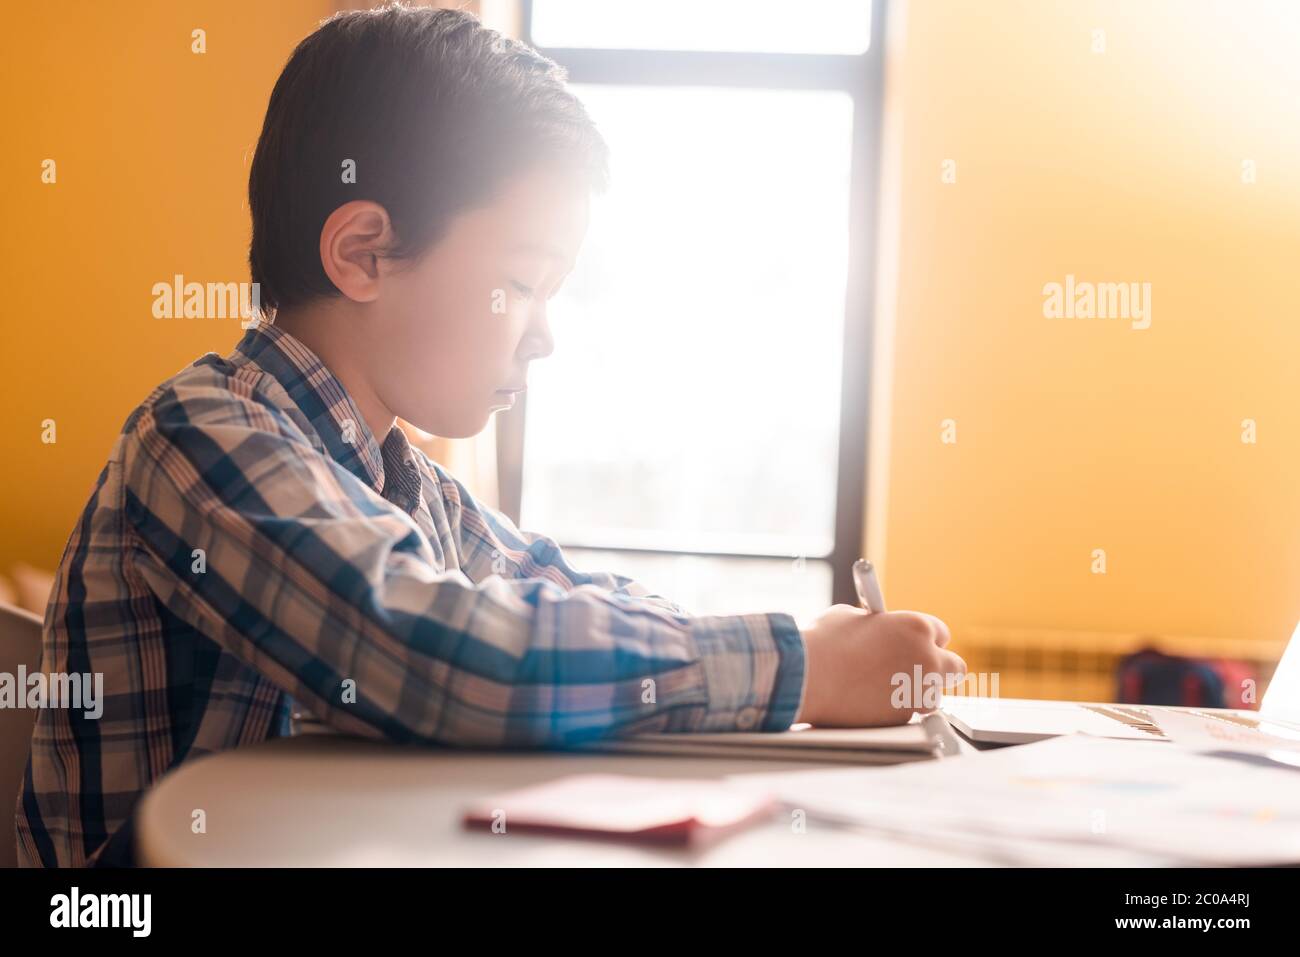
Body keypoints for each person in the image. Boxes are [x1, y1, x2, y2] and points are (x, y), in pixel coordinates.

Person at [17, 4, 965, 867]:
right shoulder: (199, 438)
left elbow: (560, 595)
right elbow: (442, 655)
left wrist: (814, 643)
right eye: (523, 281)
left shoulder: (405, 487)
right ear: (362, 252)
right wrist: (800, 662)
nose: (544, 332)